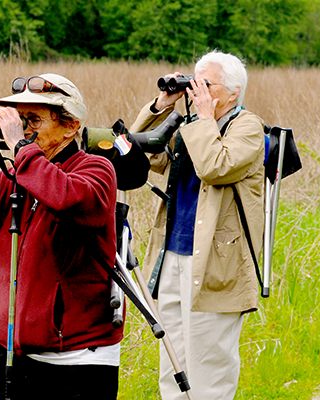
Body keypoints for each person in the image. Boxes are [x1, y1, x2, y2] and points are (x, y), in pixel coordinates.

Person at [0, 73, 123, 400]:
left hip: (78, 360)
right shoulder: (14, 177)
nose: (22, 130)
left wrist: (21, 149)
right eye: (19, 120)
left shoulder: (95, 169)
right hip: (14, 354)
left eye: (33, 120)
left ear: (70, 126)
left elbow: (66, 198)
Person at [129, 51, 265, 400]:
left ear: (232, 93)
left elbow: (215, 167)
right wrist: (162, 106)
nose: (197, 91)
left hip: (215, 263)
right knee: (173, 365)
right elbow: (136, 150)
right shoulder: (191, 125)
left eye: (207, 85)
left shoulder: (248, 127)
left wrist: (202, 118)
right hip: (171, 255)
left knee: (208, 370)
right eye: (195, 82)